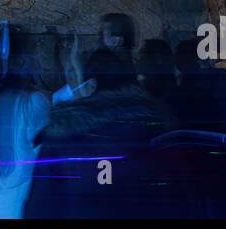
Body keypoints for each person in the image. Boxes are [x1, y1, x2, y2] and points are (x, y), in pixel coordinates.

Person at [27, 49, 171, 218]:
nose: (71, 86)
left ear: (91, 85)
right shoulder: (156, 129)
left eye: (73, 77)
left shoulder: (62, 138)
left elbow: (41, 205)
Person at [0, 25, 51, 219]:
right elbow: (47, 145)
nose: (38, 64)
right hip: (21, 196)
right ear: (21, 62)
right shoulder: (32, 102)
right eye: (33, 57)